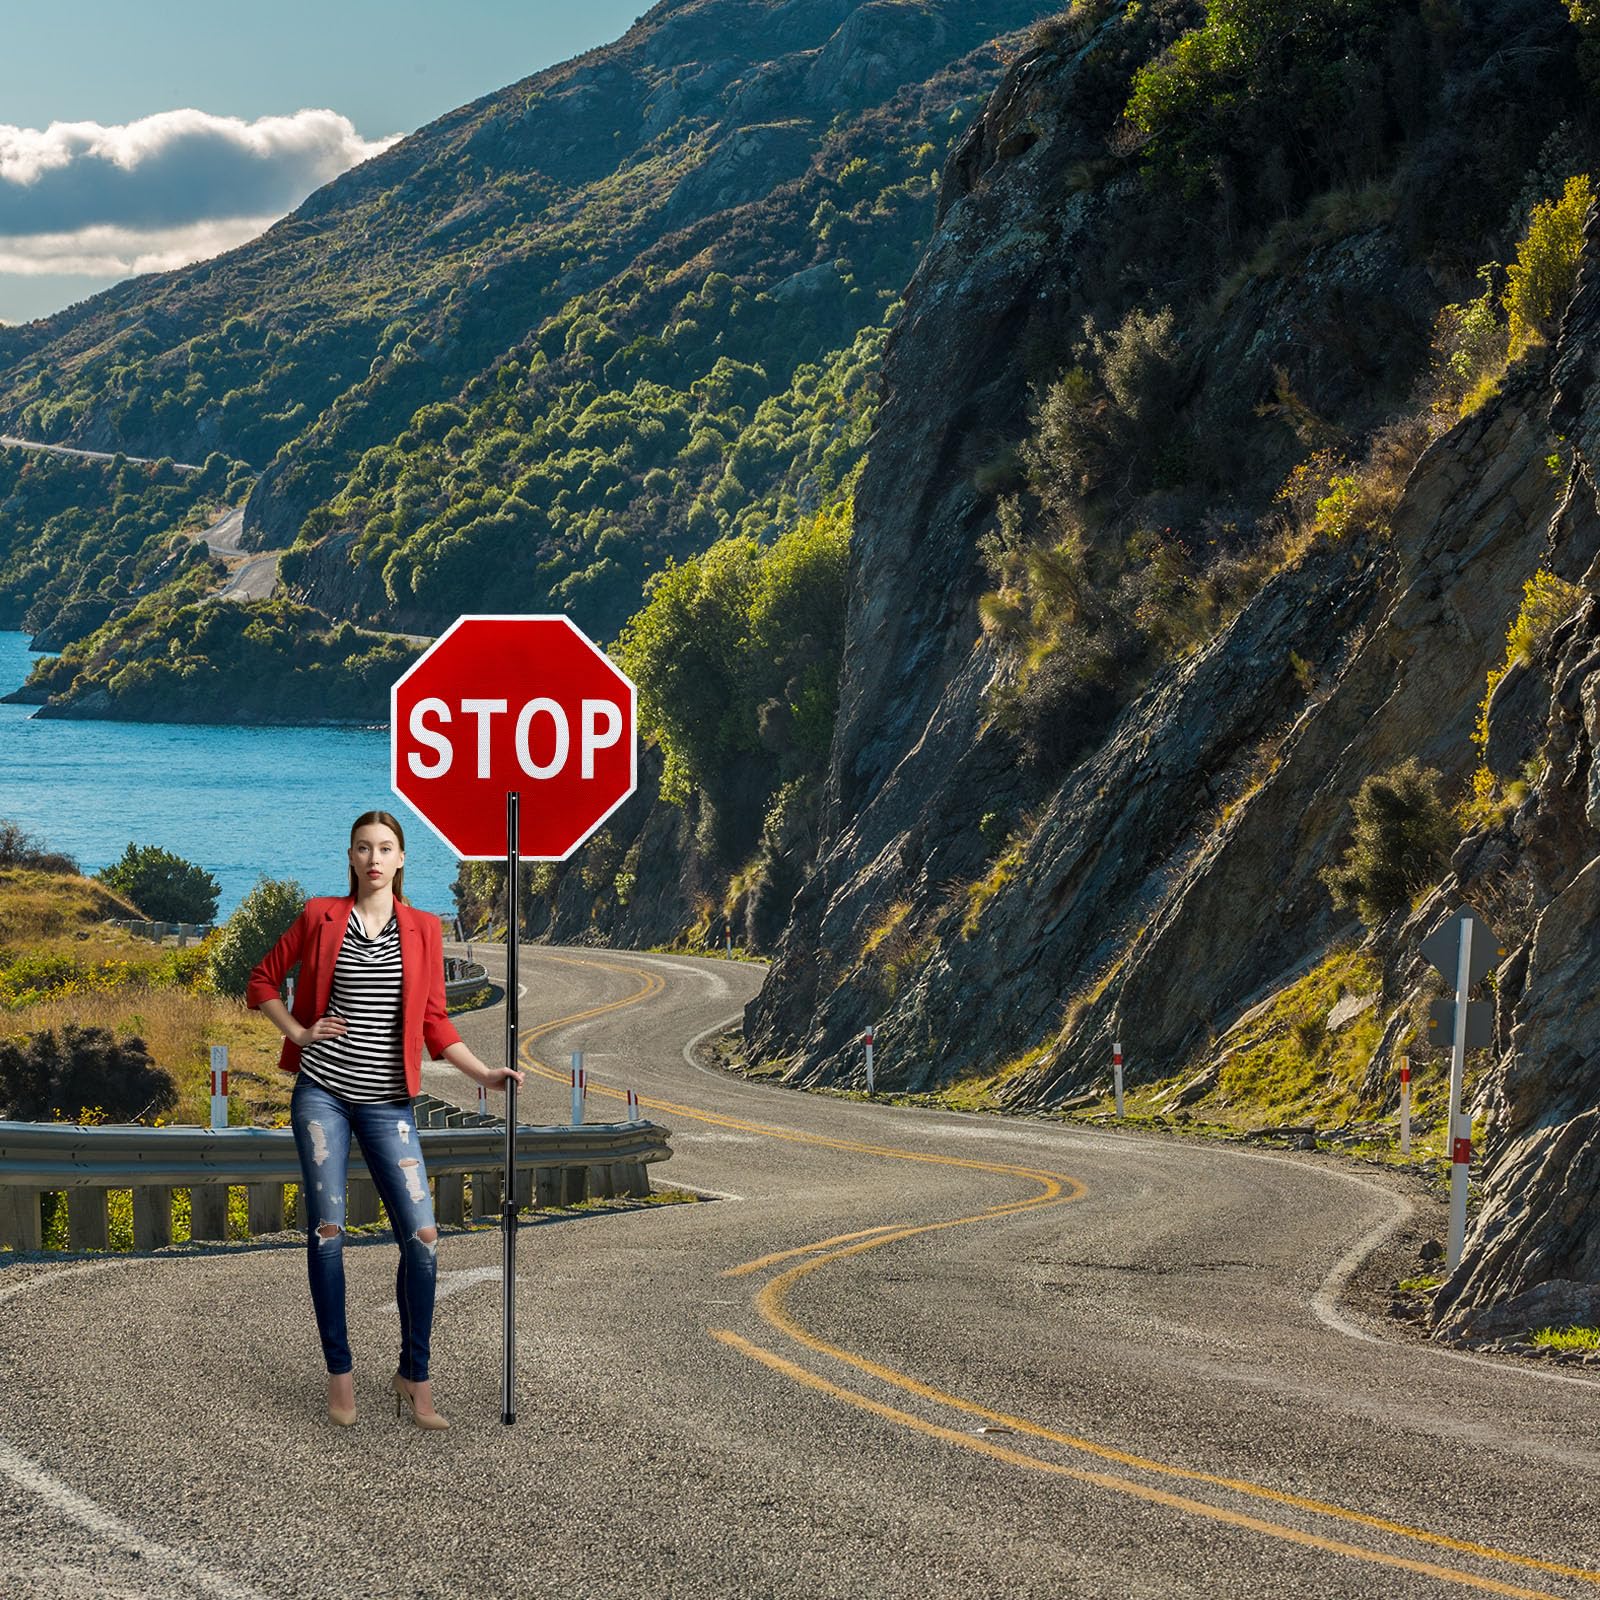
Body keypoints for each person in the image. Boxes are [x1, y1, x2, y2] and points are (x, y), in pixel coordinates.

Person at [246, 809, 523, 1430]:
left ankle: (414, 1375)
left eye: (386, 848)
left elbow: (434, 1021)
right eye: (364, 848)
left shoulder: (424, 928)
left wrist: (483, 1075)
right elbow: (261, 980)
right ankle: (339, 1374)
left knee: (423, 1237)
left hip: (388, 1101)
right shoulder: (320, 916)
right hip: (322, 1094)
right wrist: (299, 1031)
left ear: (401, 859)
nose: (374, 858)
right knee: (328, 1232)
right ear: (350, 857)